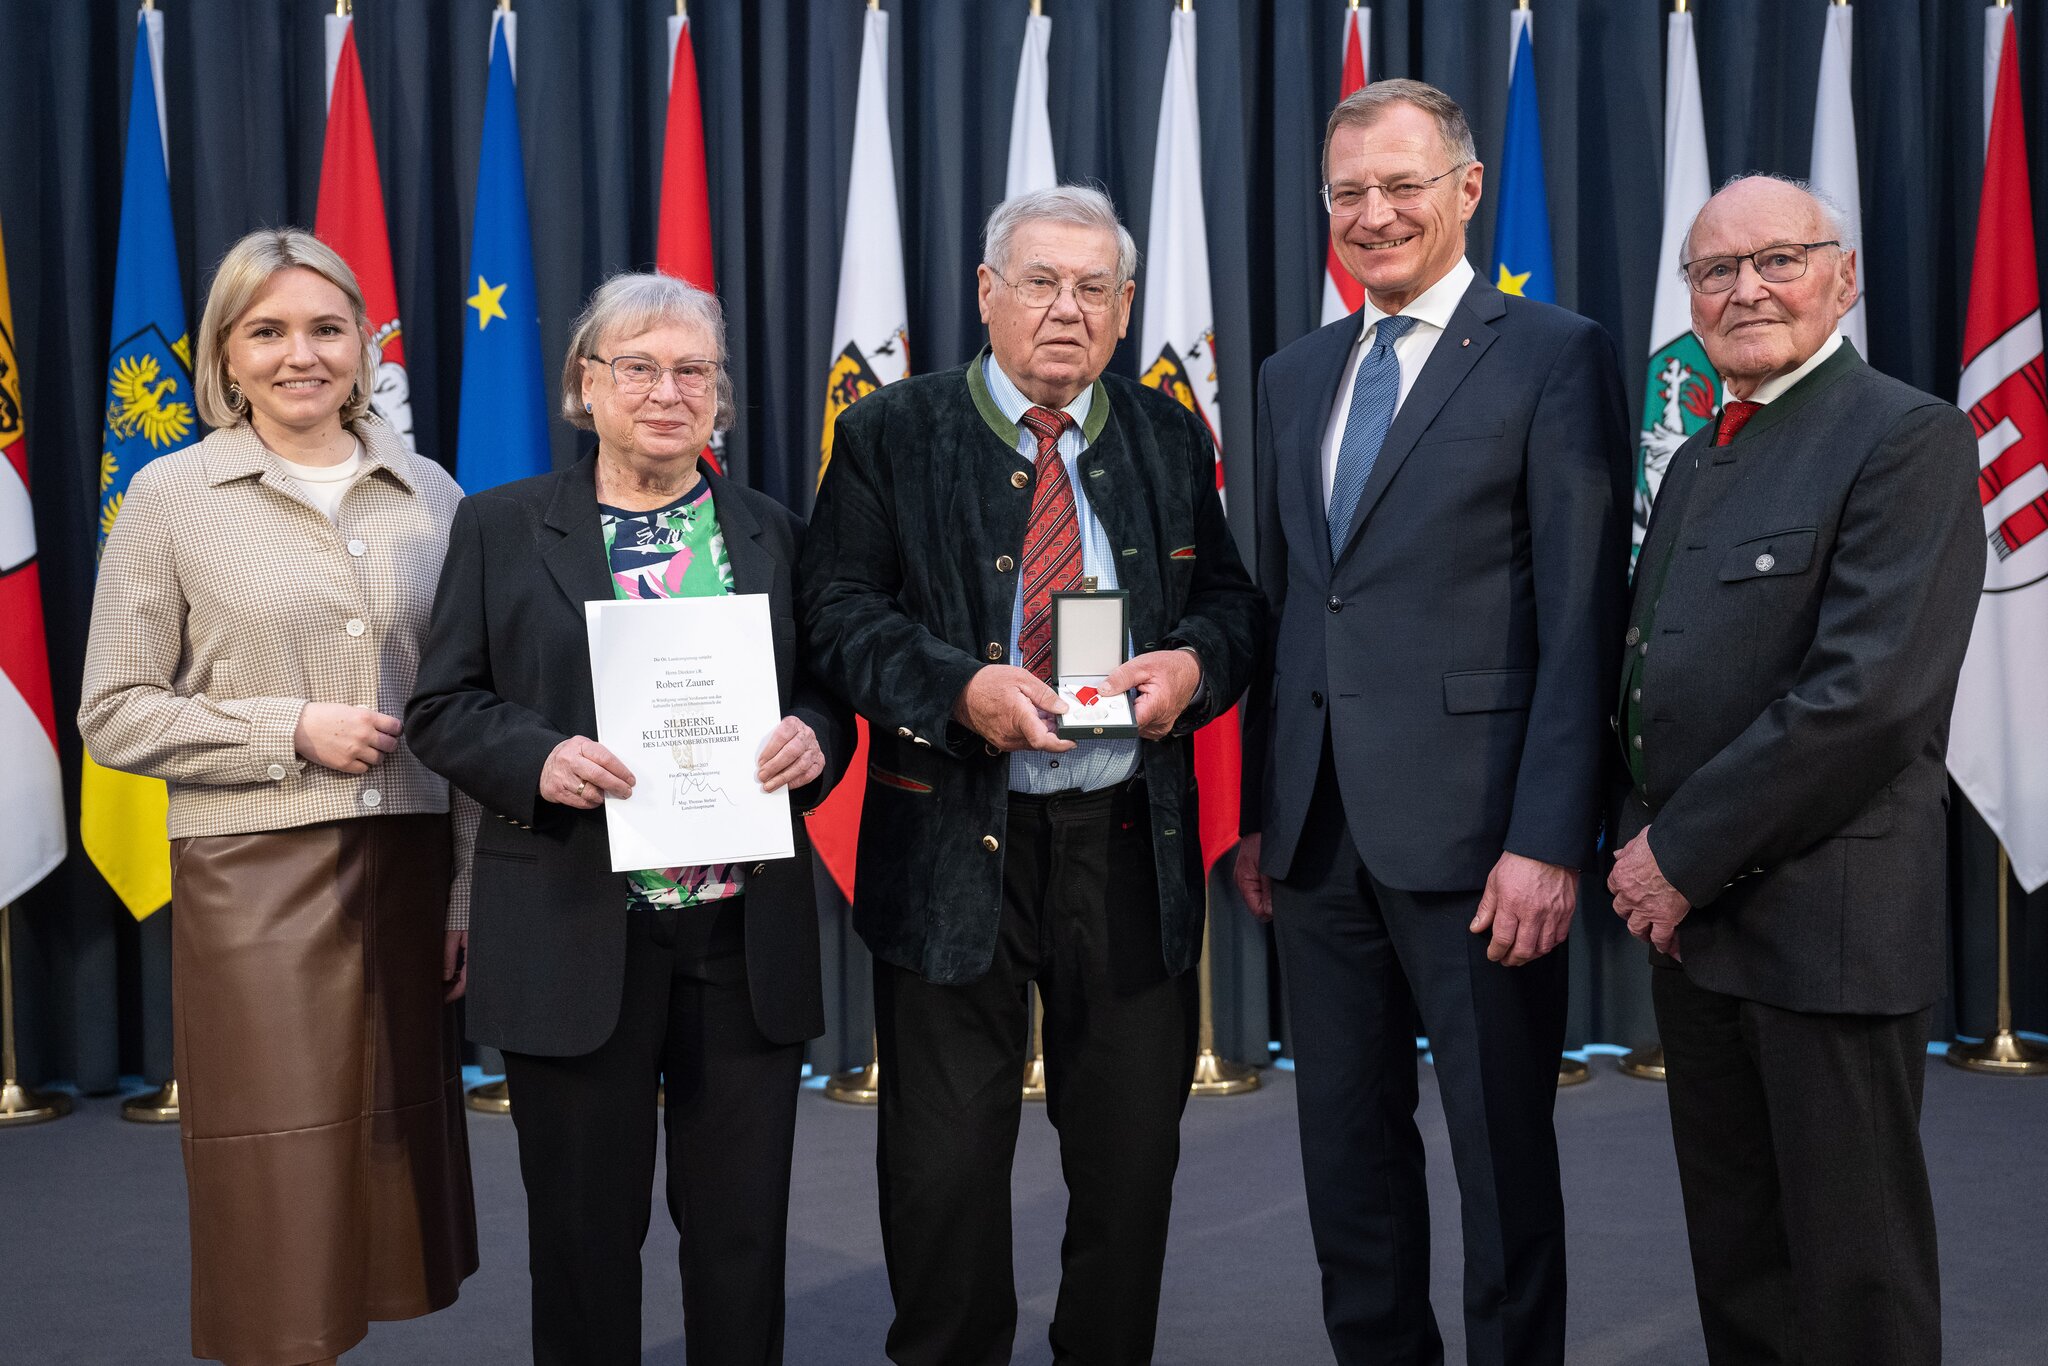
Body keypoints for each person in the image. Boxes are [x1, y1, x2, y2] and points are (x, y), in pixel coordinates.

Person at [798, 184, 1261, 1366]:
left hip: (1128, 842)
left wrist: (1191, 662)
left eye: (1093, 288)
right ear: (986, 294)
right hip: (951, 845)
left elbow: (1230, 604)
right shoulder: (889, 431)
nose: (1067, 310)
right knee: (942, 1172)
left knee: (1128, 1167)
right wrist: (959, 690)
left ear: (1124, 309)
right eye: (1041, 283)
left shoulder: (1166, 434)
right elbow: (835, 615)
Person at [1235, 81, 1630, 1366]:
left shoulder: (1552, 353)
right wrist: (1262, 811)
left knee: (1499, 1163)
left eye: (1402, 185)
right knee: (1343, 1159)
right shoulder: (1293, 373)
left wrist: (1547, 839)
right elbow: (1292, 606)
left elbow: (1582, 619)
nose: (1375, 214)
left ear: (1464, 190)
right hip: (1315, 838)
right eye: (1348, 192)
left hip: (1479, 842)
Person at [405, 272, 851, 1366]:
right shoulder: (501, 526)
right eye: (638, 367)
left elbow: (826, 694)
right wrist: (540, 757)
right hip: (570, 922)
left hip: (740, 934)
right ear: (586, 384)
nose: (667, 391)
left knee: (741, 1238)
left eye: (693, 370)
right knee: (583, 1241)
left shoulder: (775, 532)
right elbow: (441, 708)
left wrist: (814, 738)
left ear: (720, 395)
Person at [78, 228, 478, 1366]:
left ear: (362, 346)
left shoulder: (434, 494)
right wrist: (288, 729)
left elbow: (465, 709)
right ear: (226, 355)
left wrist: (464, 895)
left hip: (411, 869)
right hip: (253, 874)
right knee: (276, 1181)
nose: (300, 355)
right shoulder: (170, 496)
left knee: (392, 1175)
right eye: (267, 331)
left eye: (325, 329)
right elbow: (113, 712)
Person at [1608, 174, 1981, 1366]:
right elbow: (1656, 676)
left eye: (1778, 259)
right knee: (1743, 1273)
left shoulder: (1903, 436)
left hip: (1825, 929)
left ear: (1842, 276)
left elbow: (1863, 700)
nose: (1746, 289)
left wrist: (1672, 853)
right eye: (1714, 270)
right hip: (1700, 933)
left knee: (1853, 1280)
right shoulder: (1695, 458)